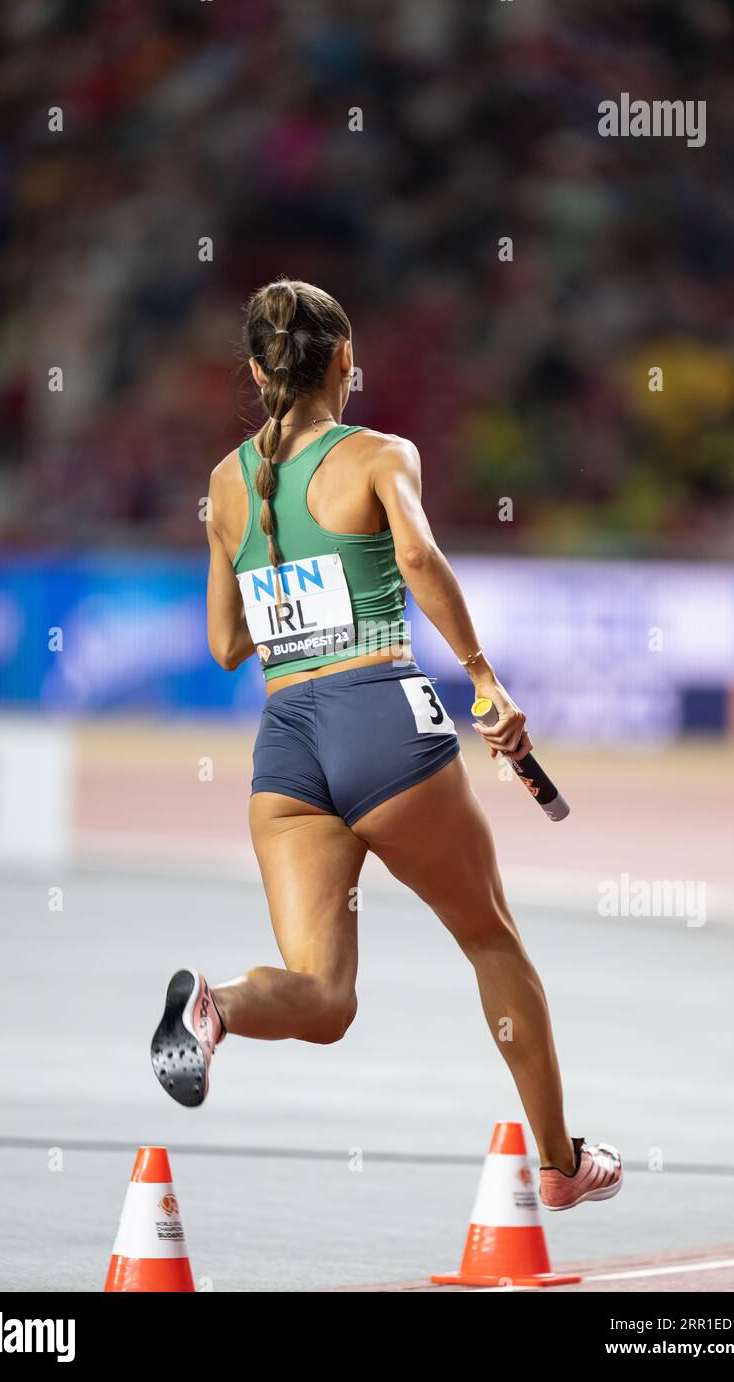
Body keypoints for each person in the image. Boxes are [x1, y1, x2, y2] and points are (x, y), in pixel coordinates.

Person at [151, 279, 621, 1210]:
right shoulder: (378, 454)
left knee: (322, 998)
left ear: (254, 369)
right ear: (344, 362)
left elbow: (224, 644)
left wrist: (278, 571)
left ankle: (219, 1007)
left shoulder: (222, 482)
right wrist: (484, 676)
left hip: (286, 748)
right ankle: (562, 1166)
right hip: (379, 717)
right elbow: (415, 558)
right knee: (492, 942)